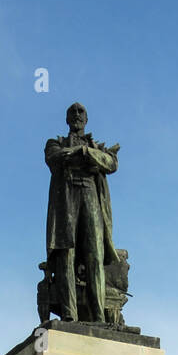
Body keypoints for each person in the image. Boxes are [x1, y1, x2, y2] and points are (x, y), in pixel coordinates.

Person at [44, 103, 120, 323]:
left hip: (90, 195)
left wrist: (85, 151)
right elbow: (55, 158)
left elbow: (111, 163)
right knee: (66, 253)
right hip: (66, 198)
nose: (76, 115)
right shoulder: (55, 143)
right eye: (72, 112)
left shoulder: (95, 146)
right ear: (67, 119)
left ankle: (98, 317)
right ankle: (70, 315)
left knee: (94, 254)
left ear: (86, 119)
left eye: (81, 112)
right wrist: (87, 158)